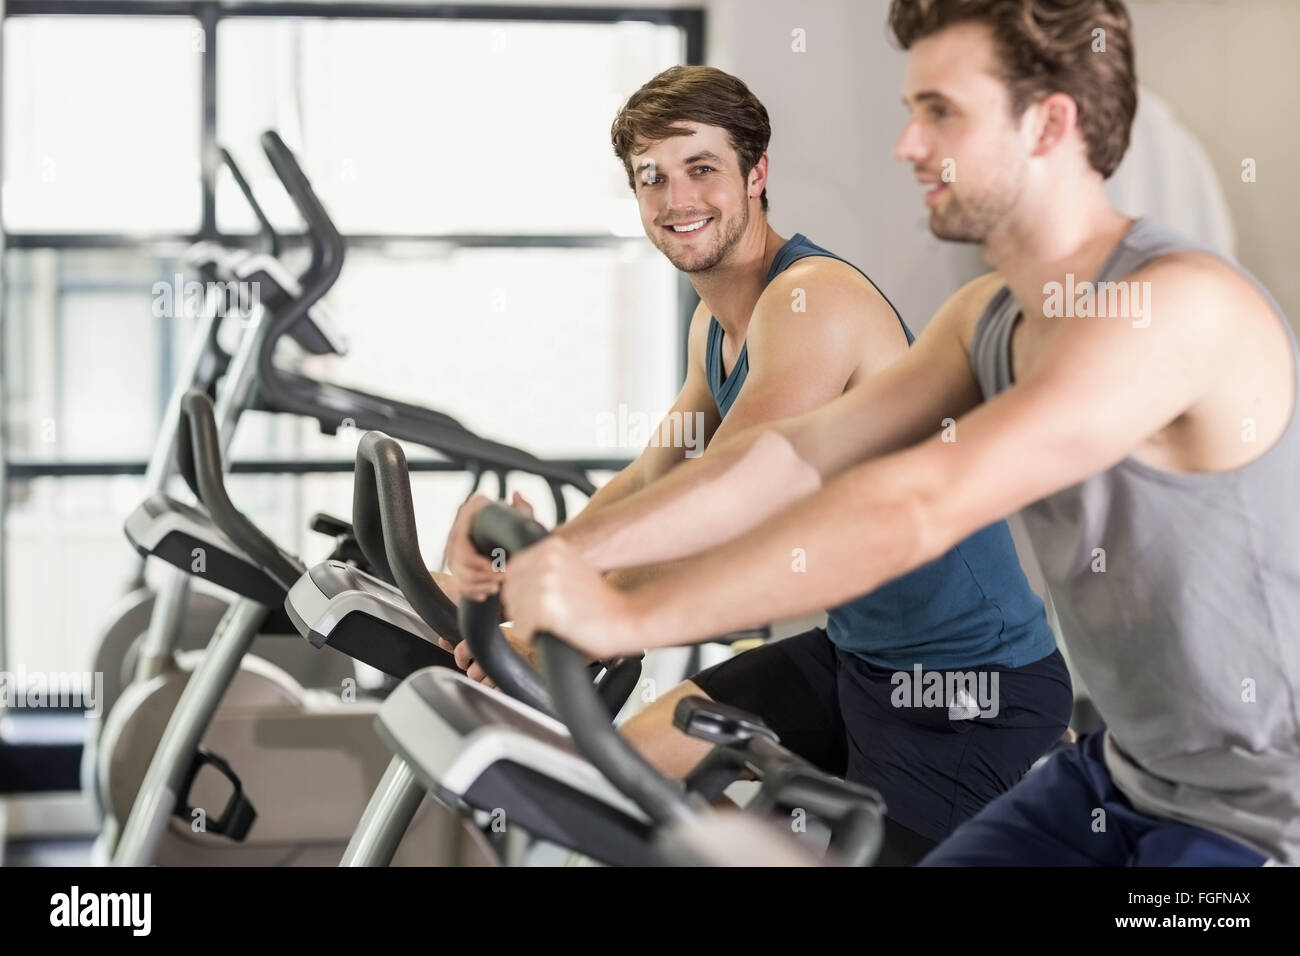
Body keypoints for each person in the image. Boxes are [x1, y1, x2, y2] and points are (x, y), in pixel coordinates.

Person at [459, 0, 1300, 867]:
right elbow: (788, 455)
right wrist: (553, 559)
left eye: (941, 113)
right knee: (641, 785)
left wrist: (624, 614)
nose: (906, 145)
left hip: (1256, 816)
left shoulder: (1174, 308)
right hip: (1115, 774)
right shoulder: (987, 316)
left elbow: (916, 504)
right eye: (911, 111)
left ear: (1048, 124)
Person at [444, 64, 1072, 864]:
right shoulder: (714, 326)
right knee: (613, 777)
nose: (677, 199)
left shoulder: (813, 299)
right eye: (652, 177)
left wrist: (580, 614)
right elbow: (652, 479)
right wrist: (512, 579)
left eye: (701, 168)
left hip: (968, 687)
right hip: (856, 656)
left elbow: (734, 497)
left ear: (756, 174)